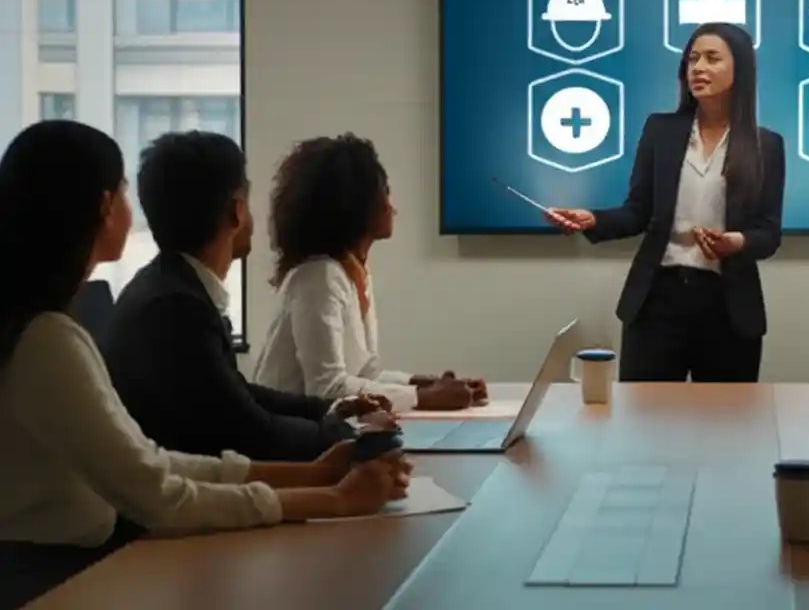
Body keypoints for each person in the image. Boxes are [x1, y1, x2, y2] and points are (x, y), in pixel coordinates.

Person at [0, 121, 410, 608]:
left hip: (73, 564)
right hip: (64, 580)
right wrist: (335, 500)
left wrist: (318, 475)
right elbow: (159, 493)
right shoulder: (52, 340)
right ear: (105, 206)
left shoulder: (45, 327)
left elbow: (153, 461)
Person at [103, 131, 376, 462]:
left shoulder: (167, 287)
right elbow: (250, 432)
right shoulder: (177, 308)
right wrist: (346, 436)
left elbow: (237, 395)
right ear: (236, 211)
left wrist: (331, 410)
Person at [544, 22, 786, 382]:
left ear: (740, 68)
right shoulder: (661, 131)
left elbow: (767, 233)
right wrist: (591, 219)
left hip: (729, 306)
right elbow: (637, 212)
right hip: (658, 300)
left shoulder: (765, 145)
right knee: (645, 424)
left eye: (712, 58)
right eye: (692, 59)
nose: (698, 68)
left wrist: (736, 242)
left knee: (729, 428)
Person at [250, 134, 486, 412]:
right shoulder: (320, 276)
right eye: (384, 192)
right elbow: (327, 388)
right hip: (291, 439)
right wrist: (424, 398)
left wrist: (425, 384)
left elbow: (364, 375)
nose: (392, 207)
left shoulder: (353, 274)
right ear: (356, 204)